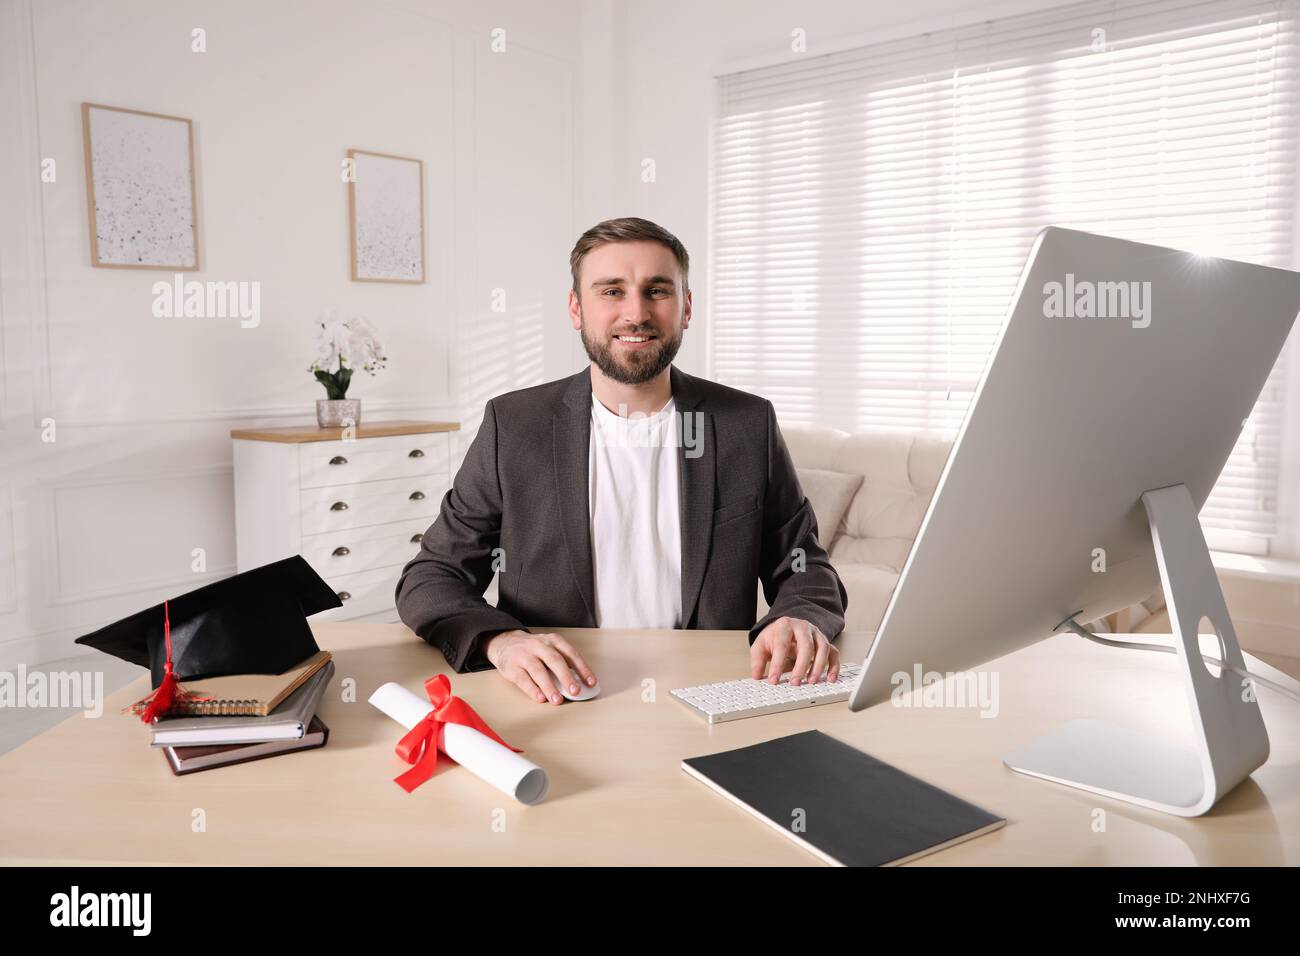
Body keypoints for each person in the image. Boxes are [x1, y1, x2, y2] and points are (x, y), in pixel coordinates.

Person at [395, 217, 847, 705]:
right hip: (558, 698)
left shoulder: (746, 423)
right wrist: (500, 641)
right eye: (611, 291)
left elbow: (803, 565)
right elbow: (432, 577)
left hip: (711, 695)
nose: (636, 313)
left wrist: (797, 618)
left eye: (657, 290)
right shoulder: (515, 425)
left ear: (687, 307)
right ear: (576, 308)